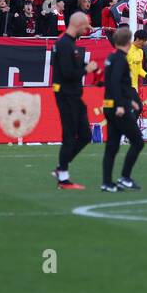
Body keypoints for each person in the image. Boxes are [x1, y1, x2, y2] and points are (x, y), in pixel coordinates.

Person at [52, 11, 97, 190]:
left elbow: (70, 68)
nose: (87, 30)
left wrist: (86, 68)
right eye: (85, 26)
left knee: (85, 135)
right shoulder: (64, 44)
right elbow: (68, 73)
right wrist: (88, 70)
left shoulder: (70, 44)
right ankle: (63, 179)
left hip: (74, 95)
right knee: (69, 136)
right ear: (78, 25)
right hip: (66, 95)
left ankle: (61, 167)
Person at [101, 27, 145, 193]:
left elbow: (118, 83)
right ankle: (125, 177)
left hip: (108, 106)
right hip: (118, 108)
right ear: (128, 42)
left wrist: (131, 101)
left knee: (112, 146)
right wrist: (121, 104)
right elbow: (115, 82)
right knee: (138, 142)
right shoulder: (121, 59)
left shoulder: (111, 58)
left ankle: (107, 183)